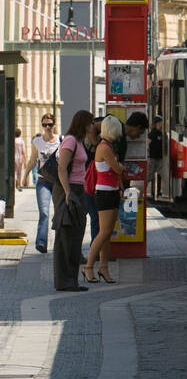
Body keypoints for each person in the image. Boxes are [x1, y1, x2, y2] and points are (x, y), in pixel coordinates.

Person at [53, 110, 94, 292]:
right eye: (91, 123)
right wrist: (68, 192)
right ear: (83, 123)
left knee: (75, 235)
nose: (93, 126)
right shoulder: (70, 140)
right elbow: (62, 168)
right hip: (68, 190)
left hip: (78, 189)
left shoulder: (78, 141)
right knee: (66, 236)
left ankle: (72, 280)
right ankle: (64, 281)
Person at [83, 115, 126, 284]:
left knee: (107, 234)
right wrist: (120, 167)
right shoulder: (104, 147)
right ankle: (88, 267)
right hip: (104, 193)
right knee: (103, 233)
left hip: (112, 192)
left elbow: (118, 170)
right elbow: (118, 169)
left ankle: (104, 268)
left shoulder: (109, 146)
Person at [22, 114, 60, 253]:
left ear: (54, 125)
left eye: (50, 124)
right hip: (43, 181)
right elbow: (33, 160)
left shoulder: (61, 140)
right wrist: (25, 176)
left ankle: (59, 243)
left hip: (57, 181)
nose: (47, 127)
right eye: (44, 125)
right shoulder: (37, 141)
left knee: (58, 212)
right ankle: (41, 242)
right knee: (44, 212)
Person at [82, 116, 103, 246]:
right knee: (94, 216)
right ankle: (94, 250)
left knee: (94, 217)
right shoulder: (88, 138)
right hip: (85, 183)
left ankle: (94, 249)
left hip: (90, 182)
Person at [148, 116, 164, 199]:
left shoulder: (161, 133)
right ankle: (146, 193)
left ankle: (160, 191)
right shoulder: (153, 133)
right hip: (152, 158)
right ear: (157, 123)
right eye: (161, 122)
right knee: (149, 176)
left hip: (160, 158)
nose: (162, 123)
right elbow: (148, 142)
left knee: (163, 174)